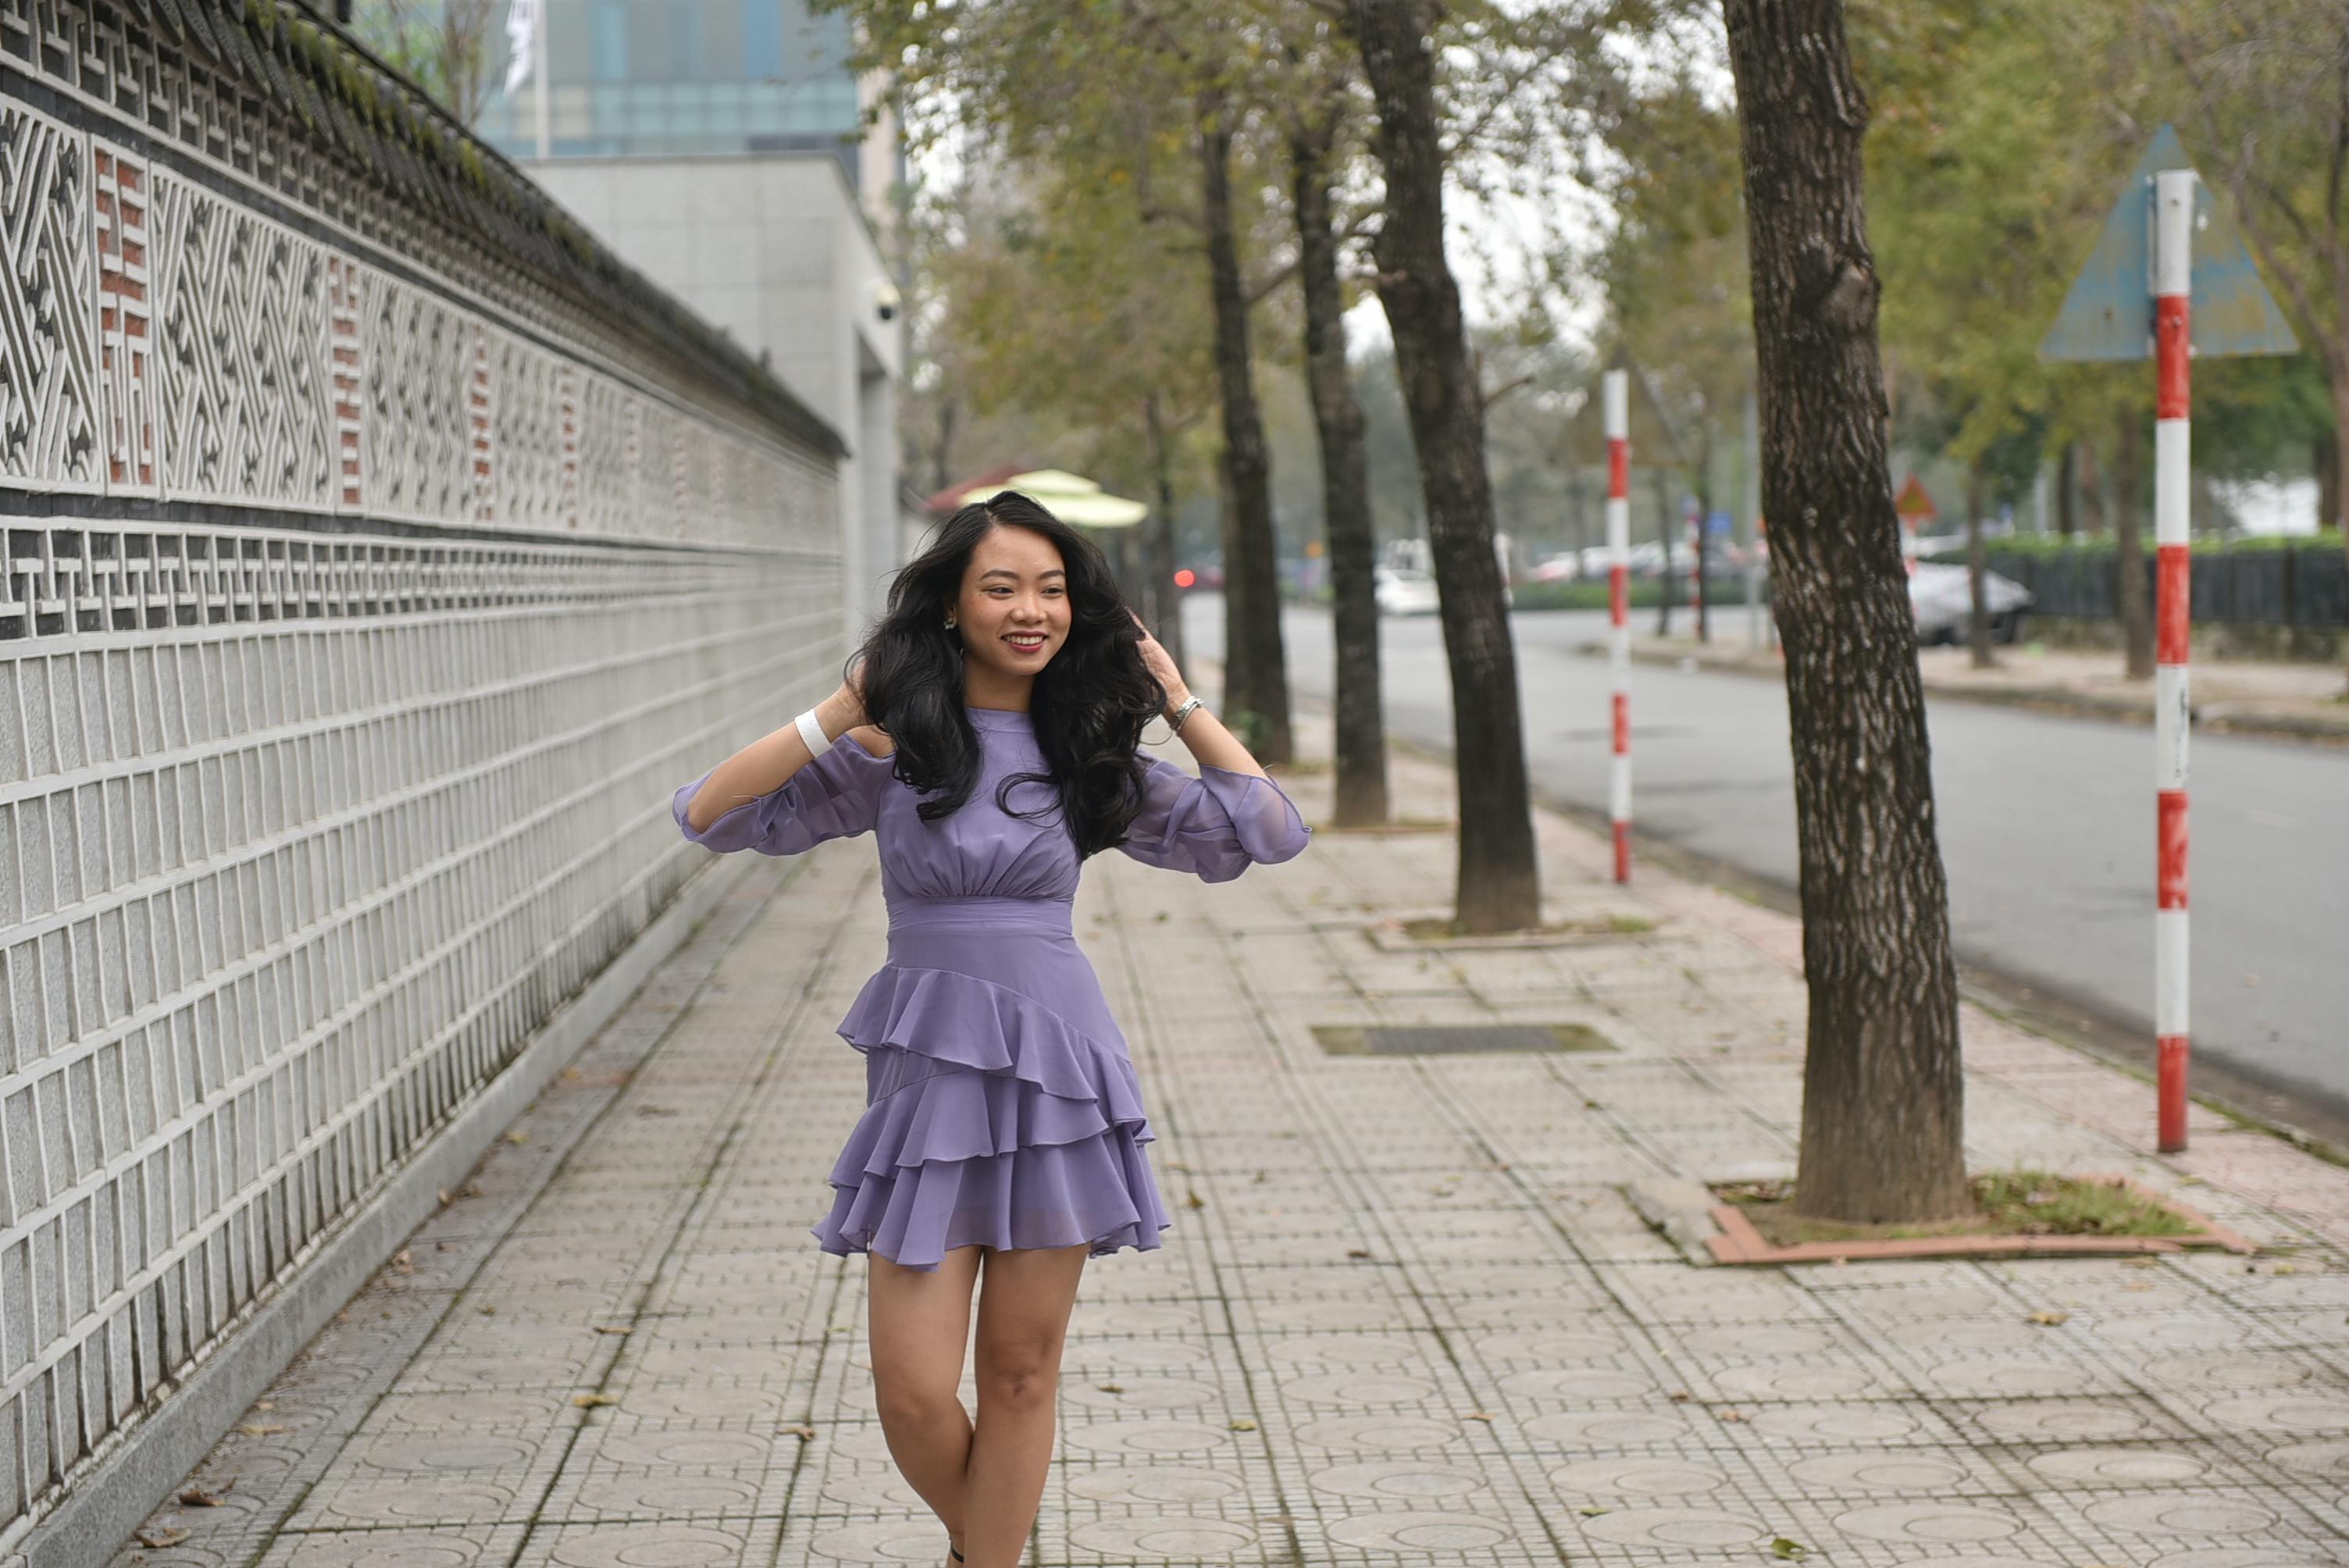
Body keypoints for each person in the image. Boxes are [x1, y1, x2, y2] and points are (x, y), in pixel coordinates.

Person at [670, 491, 1310, 1567]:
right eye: (1003, 587)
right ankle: (986, 1545)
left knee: (1021, 1371)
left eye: (1054, 590)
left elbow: (1266, 830)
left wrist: (1175, 694)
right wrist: (836, 712)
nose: (1032, 610)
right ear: (954, 606)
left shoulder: (1085, 753)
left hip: (1057, 1069)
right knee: (913, 1388)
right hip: (929, 1079)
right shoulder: (898, 747)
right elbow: (711, 815)